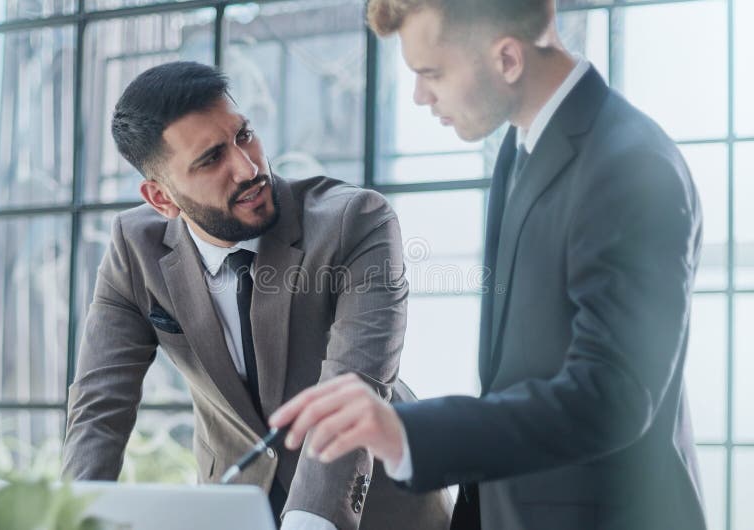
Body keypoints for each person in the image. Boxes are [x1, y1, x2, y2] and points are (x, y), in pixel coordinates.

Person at [269, 1, 707, 529]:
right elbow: (513, 374)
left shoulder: (631, 164)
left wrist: (408, 432)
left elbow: (613, 394)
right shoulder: (519, 145)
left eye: (431, 73)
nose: (420, 96)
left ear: (506, 59)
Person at [61, 61, 452, 530]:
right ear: (161, 198)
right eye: (210, 159)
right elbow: (100, 405)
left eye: (243, 135)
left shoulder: (357, 221)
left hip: (374, 509)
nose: (248, 168)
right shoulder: (134, 249)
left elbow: (354, 383)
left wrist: (310, 521)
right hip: (235, 508)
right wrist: (70, 516)